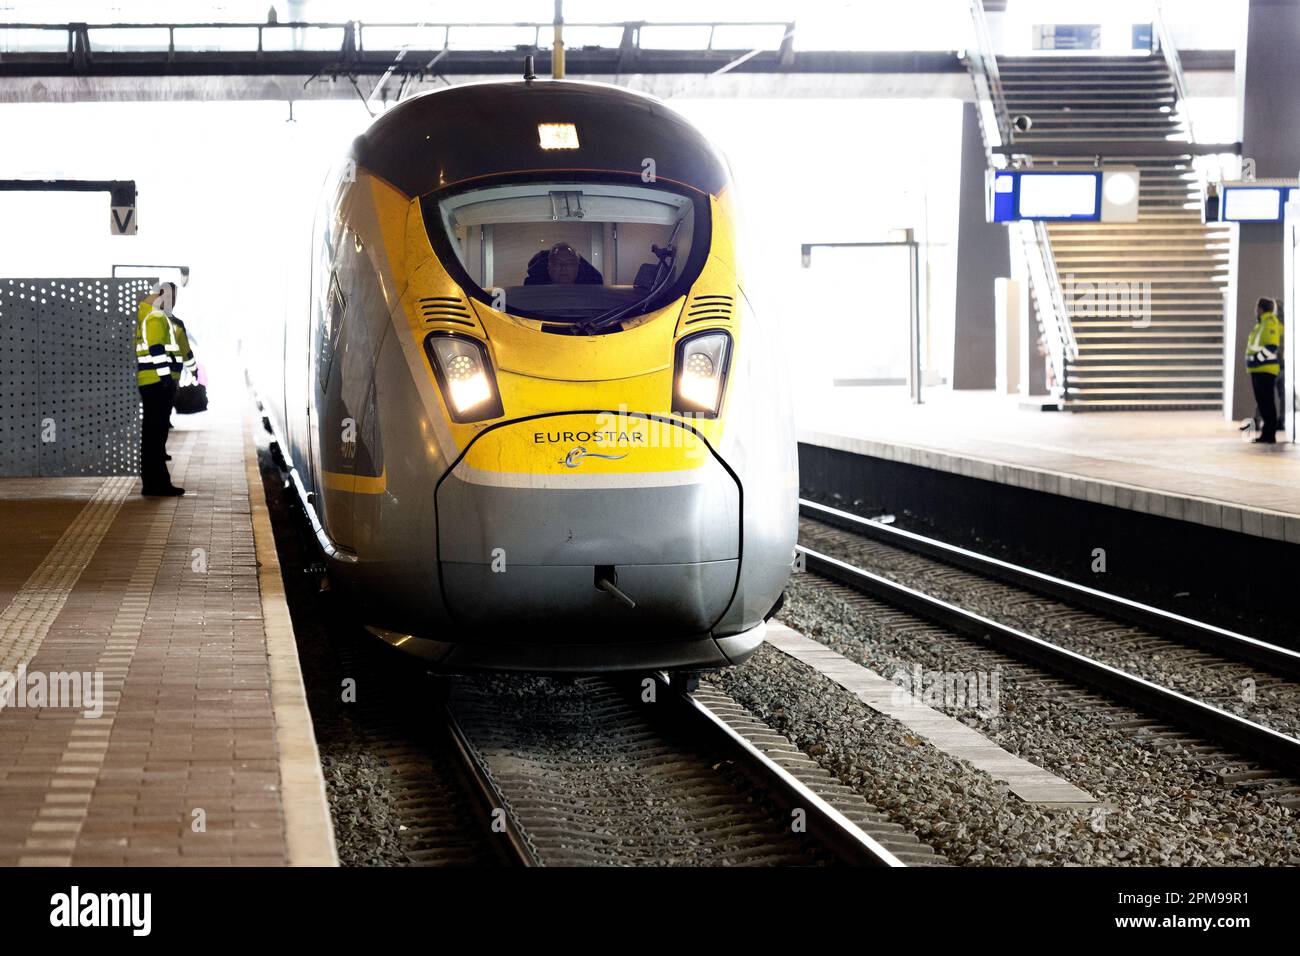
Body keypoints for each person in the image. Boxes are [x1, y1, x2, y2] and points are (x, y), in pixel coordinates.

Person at [135, 285, 184, 496]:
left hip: (152, 382)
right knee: (155, 435)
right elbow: (156, 349)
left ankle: (152, 482)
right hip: (156, 383)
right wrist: (166, 378)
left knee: (152, 435)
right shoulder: (155, 317)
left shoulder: (150, 315)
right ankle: (158, 484)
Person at [1245, 296, 1283, 444]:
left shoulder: (1269, 323)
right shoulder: (1261, 324)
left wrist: (1255, 360)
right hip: (1258, 369)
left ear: (1261, 309)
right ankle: (1266, 434)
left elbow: (1271, 346)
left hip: (1265, 369)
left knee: (1267, 403)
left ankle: (1269, 435)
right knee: (1263, 403)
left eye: (1257, 307)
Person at [523, 242, 604, 285]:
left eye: (570, 263)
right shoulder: (532, 294)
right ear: (549, 267)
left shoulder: (592, 295)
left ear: (577, 267)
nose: (564, 267)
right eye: (558, 263)